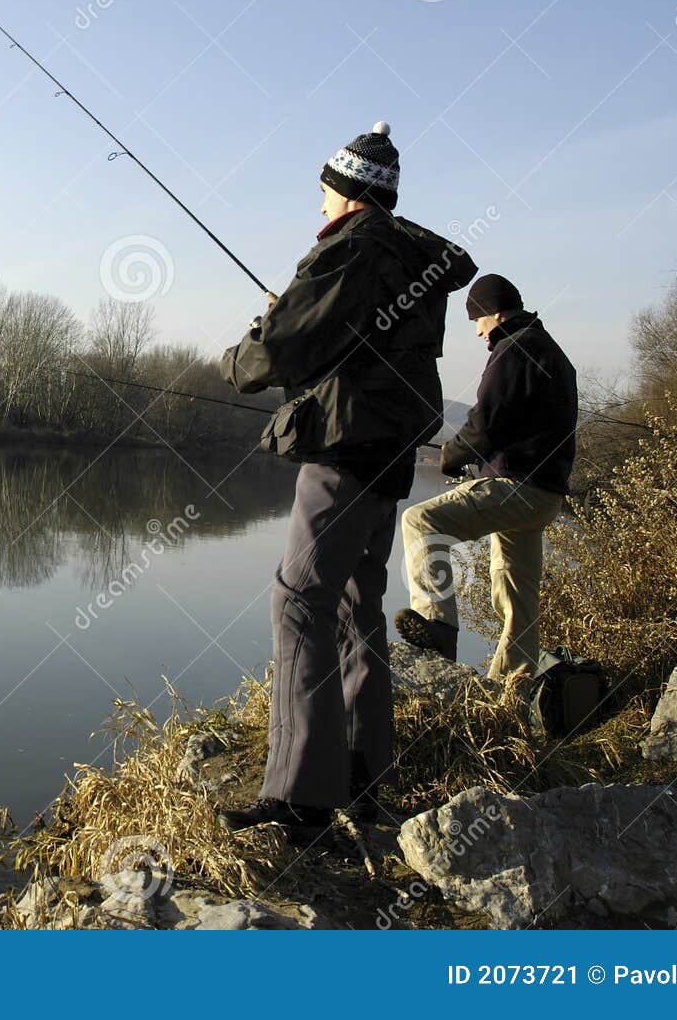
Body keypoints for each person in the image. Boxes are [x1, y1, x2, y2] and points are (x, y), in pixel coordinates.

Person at [218, 121, 476, 833]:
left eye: (325, 195)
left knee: (299, 599)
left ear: (351, 193)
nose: (320, 208)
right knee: (356, 605)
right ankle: (364, 774)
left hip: (348, 449)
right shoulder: (410, 258)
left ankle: (300, 796)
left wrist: (243, 351)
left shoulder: (354, 249)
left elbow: (285, 347)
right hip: (389, 454)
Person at [395, 273, 577, 680]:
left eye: (477, 320)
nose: (478, 332)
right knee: (517, 596)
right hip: (546, 496)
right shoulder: (552, 353)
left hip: (519, 486)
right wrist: (471, 456)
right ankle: (514, 686)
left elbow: (485, 423)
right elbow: (512, 423)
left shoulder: (515, 350)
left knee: (420, 521)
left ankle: (437, 623)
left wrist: (451, 455)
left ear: (494, 312)